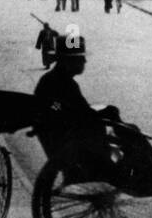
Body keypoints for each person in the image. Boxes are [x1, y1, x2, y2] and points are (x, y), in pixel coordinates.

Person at [33, 38, 117, 174]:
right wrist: (107, 112)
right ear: (68, 62)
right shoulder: (66, 84)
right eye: (80, 59)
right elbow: (83, 113)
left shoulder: (49, 79)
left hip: (53, 135)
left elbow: (74, 109)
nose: (84, 62)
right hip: (68, 140)